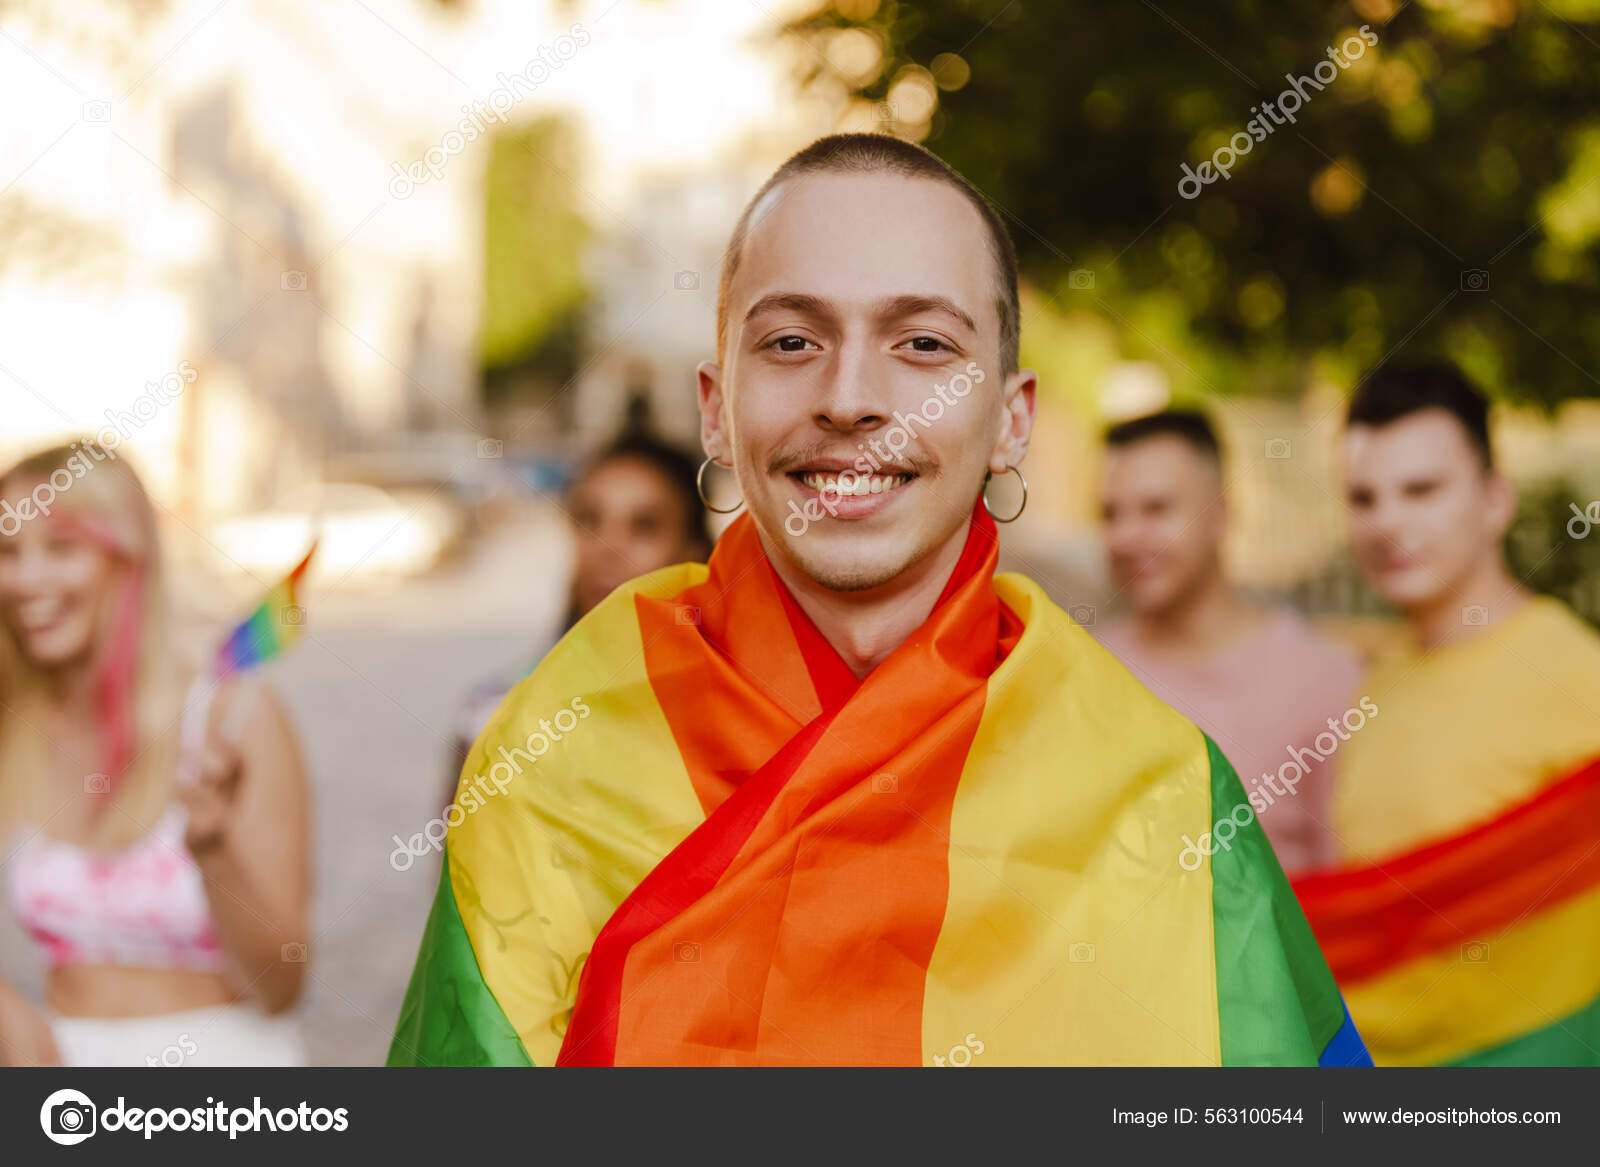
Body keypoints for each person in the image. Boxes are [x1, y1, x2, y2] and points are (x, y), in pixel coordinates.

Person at [390, 133, 1366, 1067]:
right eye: (788, 341)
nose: (850, 395)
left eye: (924, 345)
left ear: (1010, 420)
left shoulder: (1159, 793)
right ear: (713, 410)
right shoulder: (558, 755)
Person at [1294, 363, 1600, 1065]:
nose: (1388, 521)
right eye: (1364, 497)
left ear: (1495, 500)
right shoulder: (1372, 688)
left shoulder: (1581, 682)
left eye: (1422, 489)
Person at [0, 441, 311, 1066]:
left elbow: (280, 988)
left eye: (62, 548)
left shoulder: (233, 718)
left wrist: (215, 852)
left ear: (131, 558)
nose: (27, 579)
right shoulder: (14, 726)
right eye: (8, 552)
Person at [1095, 410, 1361, 872]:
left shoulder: (1324, 681)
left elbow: (1347, 886)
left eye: (1156, 509)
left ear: (1221, 515)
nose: (1126, 535)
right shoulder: (1082, 667)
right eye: (1111, 514)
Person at [447, 431, 711, 785]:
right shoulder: (494, 714)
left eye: (645, 526)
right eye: (590, 520)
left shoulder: (734, 720)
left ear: (692, 551)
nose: (609, 547)